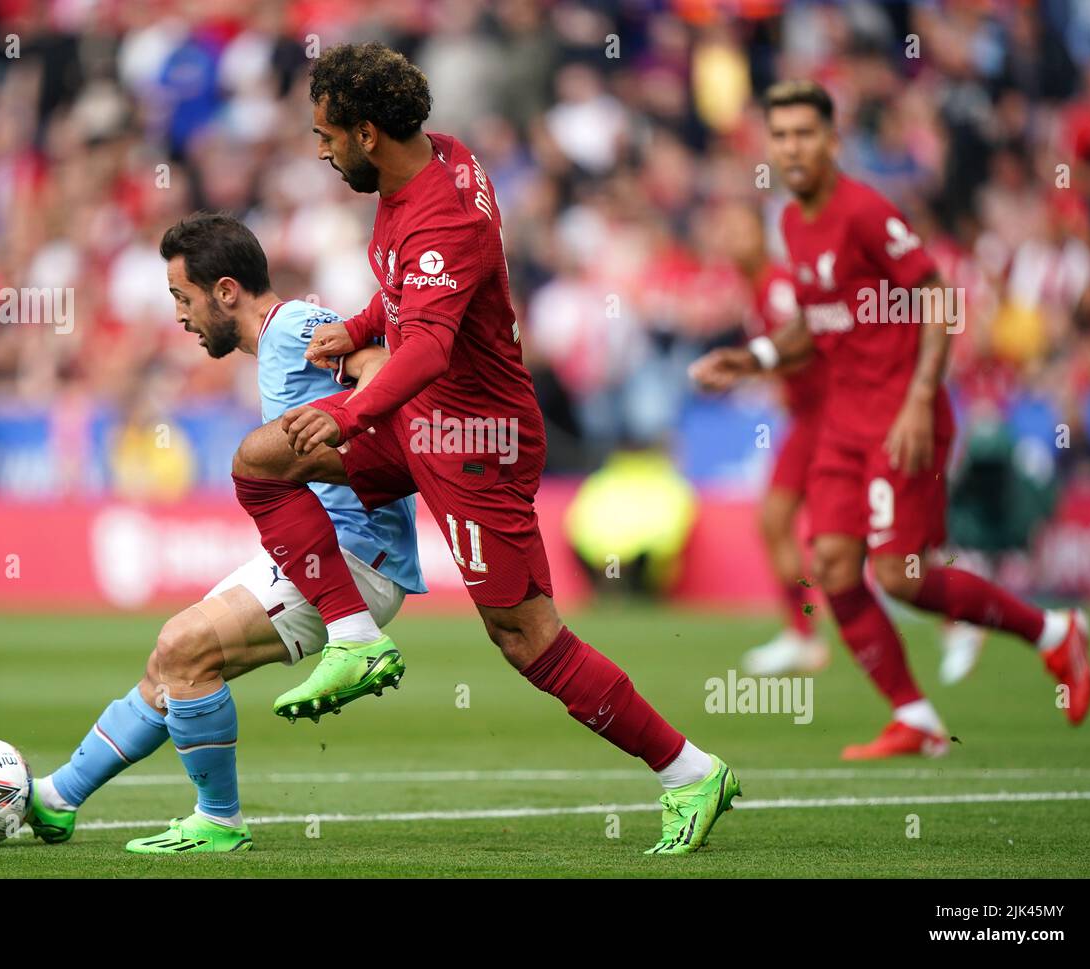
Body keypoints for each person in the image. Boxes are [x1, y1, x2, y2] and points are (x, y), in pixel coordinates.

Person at [229, 42, 739, 854]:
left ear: (367, 132)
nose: (318, 151)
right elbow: (417, 294)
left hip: (475, 444)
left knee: (525, 637)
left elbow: (430, 343)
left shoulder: (442, 213)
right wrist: (359, 328)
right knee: (261, 460)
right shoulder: (443, 162)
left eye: (325, 135)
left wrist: (351, 413)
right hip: (425, 422)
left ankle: (688, 770)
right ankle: (356, 639)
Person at [690, 81, 1090, 760]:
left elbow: (940, 301)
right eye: (781, 135)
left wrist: (916, 399)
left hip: (900, 416)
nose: (792, 147)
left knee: (903, 574)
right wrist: (754, 355)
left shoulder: (865, 213)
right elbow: (815, 324)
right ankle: (916, 717)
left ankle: (1055, 632)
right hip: (842, 422)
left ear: (833, 141)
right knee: (834, 566)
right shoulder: (791, 221)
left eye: (805, 133)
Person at [27, 213, 426, 853]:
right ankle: (57, 798)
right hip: (329, 553)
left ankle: (219, 820)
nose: (180, 317)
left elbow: (381, 368)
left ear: (227, 291)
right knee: (170, 667)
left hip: (354, 556)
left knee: (184, 645)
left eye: (183, 298)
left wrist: (349, 424)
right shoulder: (273, 345)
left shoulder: (295, 326)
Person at [718, 201, 830, 675]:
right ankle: (802, 633)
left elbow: (802, 344)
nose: (731, 240)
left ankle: (804, 634)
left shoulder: (777, 286)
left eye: (740, 230)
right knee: (775, 520)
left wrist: (755, 366)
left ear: (762, 237)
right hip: (808, 417)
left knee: (788, 522)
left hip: (830, 416)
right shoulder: (756, 291)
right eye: (726, 231)